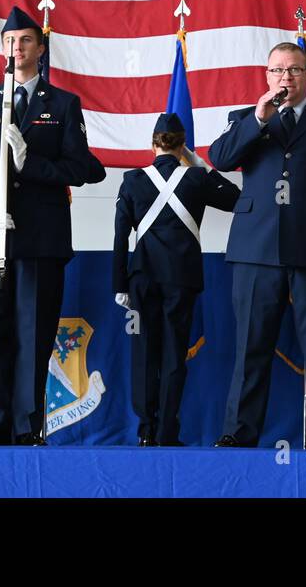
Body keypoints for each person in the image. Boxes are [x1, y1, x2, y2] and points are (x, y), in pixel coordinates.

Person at [0, 6, 102, 446]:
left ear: (41, 47)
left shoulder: (64, 105)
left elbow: (84, 169)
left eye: (26, 40)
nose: (17, 48)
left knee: (34, 333)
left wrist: (29, 163)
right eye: (11, 41)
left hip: (40, 238)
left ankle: (27, 424)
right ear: (3, 49)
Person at [208, 42, 306, 450]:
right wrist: (258, 118)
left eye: (294, 70)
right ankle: (239, 433)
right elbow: (220, 159)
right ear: (266, 76)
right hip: (255, 250)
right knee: (250, 349)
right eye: (278, 70)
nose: (286, 78)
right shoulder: (245, 118)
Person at [112, 113, 240, 446]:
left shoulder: (132, 180)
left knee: (144, 354)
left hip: (142, 277)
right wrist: (203, 165)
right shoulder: (197, 178)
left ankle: (145, 430)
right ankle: (168, 431)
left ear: (152, 144)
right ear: (183, 145)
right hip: (181, 277)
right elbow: (236, 200)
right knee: (173, 354)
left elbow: (119, 236)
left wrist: (119, 284)